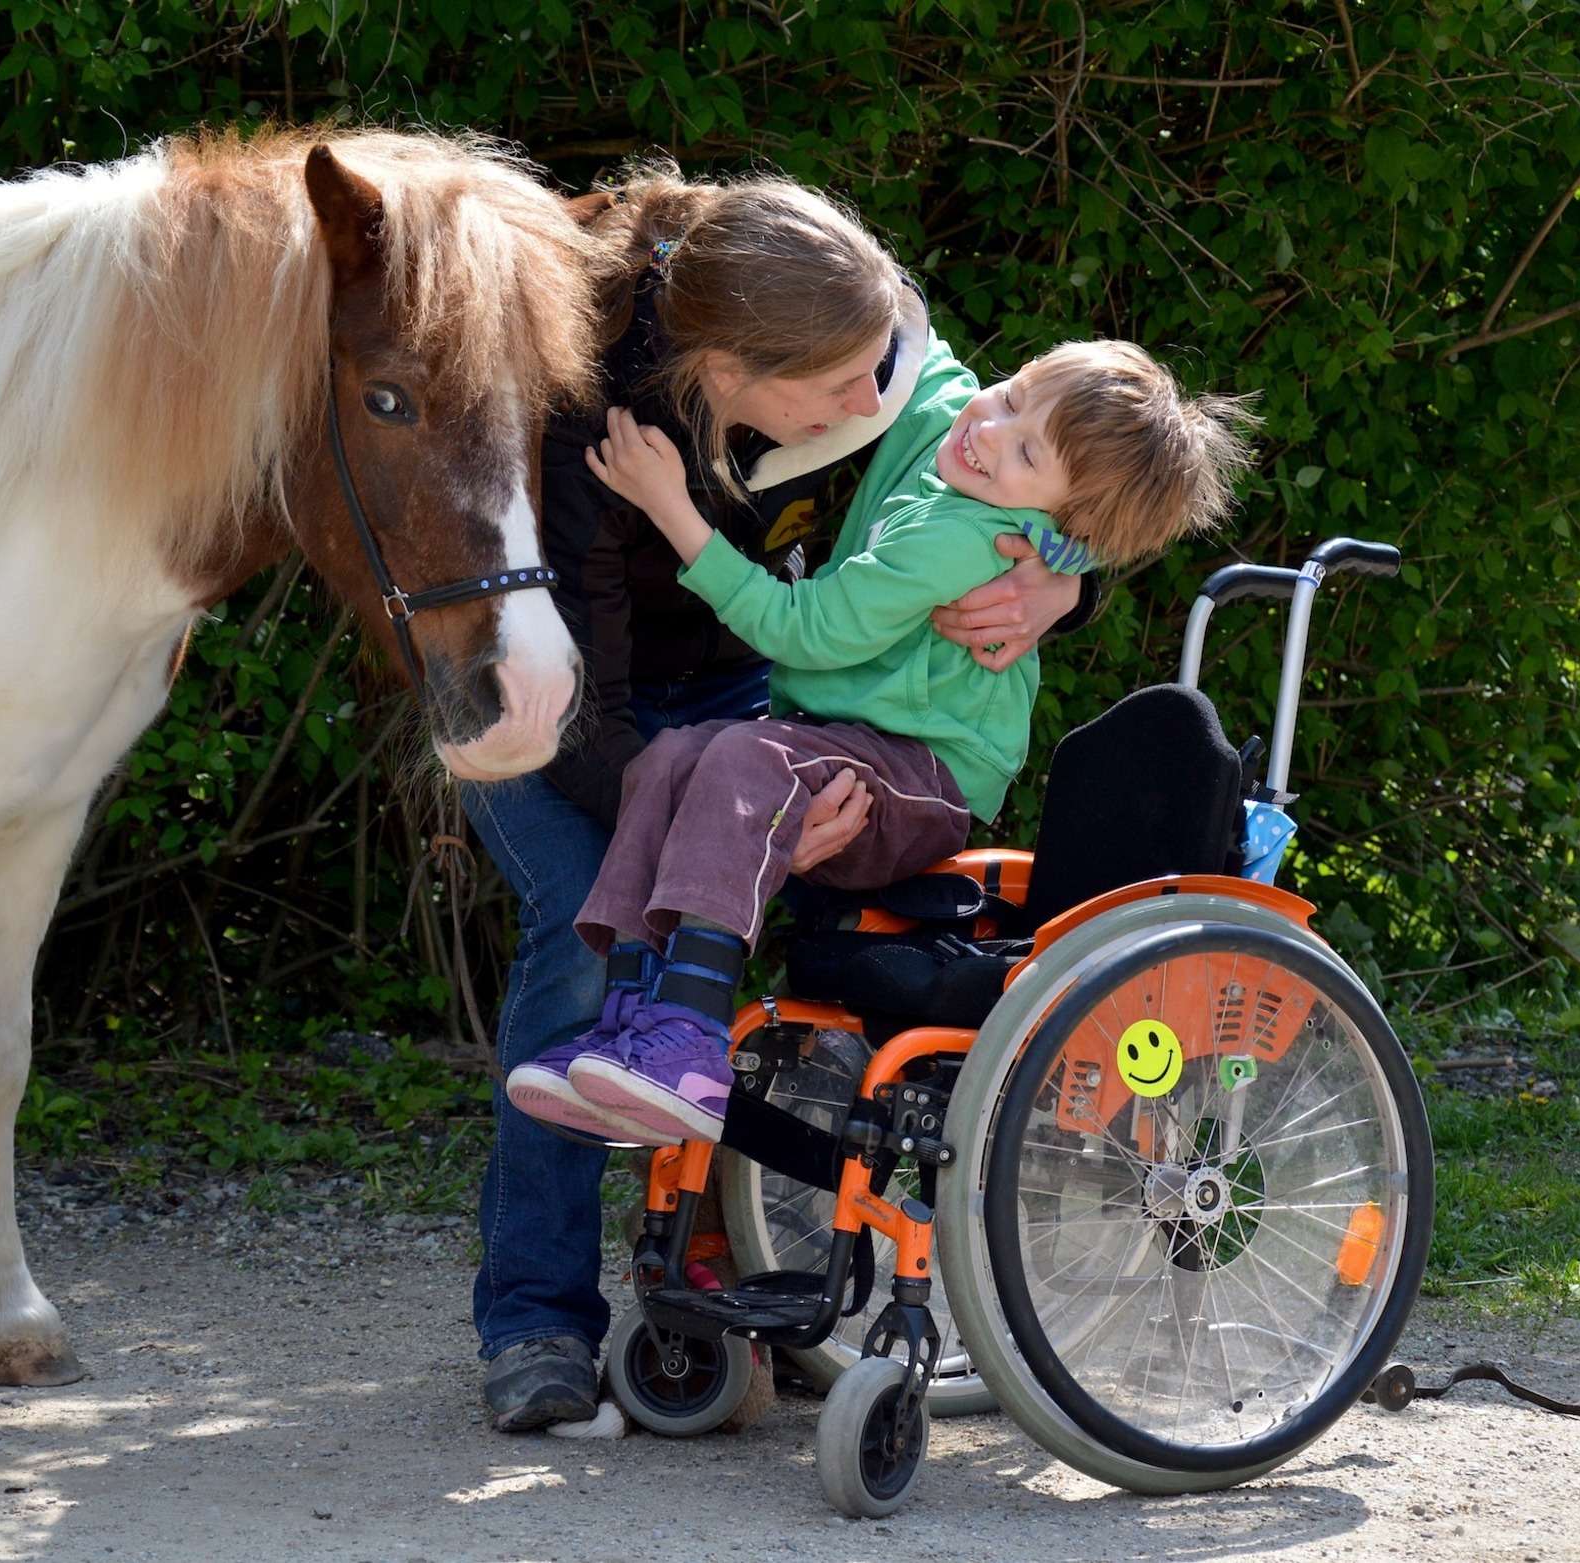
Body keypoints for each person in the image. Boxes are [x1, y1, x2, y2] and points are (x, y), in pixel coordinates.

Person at [460, 168, 1092, 1432]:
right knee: (591, 938)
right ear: (723, 377)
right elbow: (591, 713)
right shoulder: (587, 413)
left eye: (883, 359)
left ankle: (696, 1280)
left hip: (764, 681)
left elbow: (1031, 463)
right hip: (558, 696)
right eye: (842, 385)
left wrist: (1062, 582)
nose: (875, 397)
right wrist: (729, 822)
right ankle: (534, 1320)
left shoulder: (870, 335)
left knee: (761, 939)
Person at [508, 333, 1255, 1145]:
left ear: (1055, 516)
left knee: (736, 755)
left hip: (921, 774)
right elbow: (905, 334)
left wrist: (670, 507)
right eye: (1010, 393)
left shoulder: (961, 538)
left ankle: (687, 1035)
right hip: (835, 738)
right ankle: (628, 1020)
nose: (989, 429)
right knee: (666, 757)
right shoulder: (948, 423)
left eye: (1026, 451)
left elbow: (804, 631)